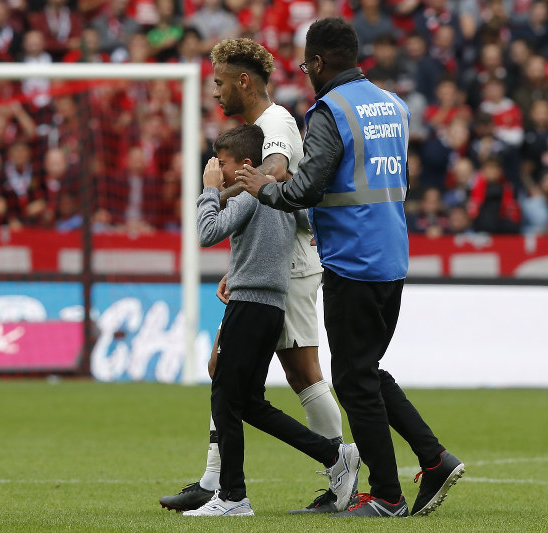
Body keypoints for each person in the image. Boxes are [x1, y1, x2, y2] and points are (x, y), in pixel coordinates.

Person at [237, 17, 464, 518]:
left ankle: (386, 496)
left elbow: (308, 187)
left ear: (318, 62)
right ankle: (434, 458)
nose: (307, 74)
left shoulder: (330, 111)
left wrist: (265, 189)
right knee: (364, 371)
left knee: (353, 380)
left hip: (352, 259)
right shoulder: (393, 104)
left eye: (306, 66)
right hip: (392, 254)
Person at [159, 37, 348, 514]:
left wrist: (217, 193)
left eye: (220, 83)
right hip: (265, 264)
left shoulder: (275, 122)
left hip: (290, 266)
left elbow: (275, 172)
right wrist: (237, 264)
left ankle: (339, 470)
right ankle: (217, 481)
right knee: (229, 376)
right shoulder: (254, 128)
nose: (215, 92)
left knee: (300, 373)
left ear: (244, 81)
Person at [184, 123, 360, 517]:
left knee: (224, 397)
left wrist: (209, 190)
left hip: (249, 305)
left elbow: (208, 232)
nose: (217, 169)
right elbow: (307, 223)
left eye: (222, 163)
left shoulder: (249, 193)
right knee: (247, 403)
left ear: (247, 164)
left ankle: (232, 497)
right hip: (271, 307)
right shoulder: (279, 194)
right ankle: (333, 454)